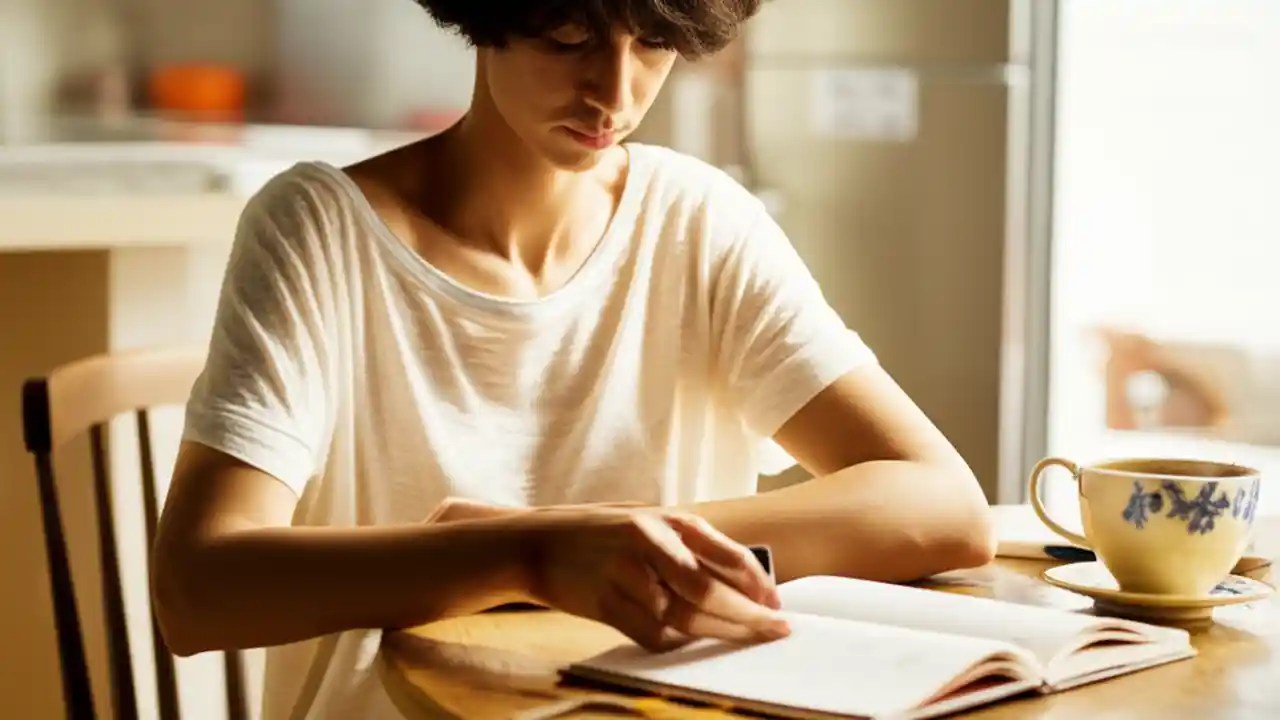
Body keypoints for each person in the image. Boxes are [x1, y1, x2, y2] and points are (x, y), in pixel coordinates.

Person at [151, 2, 995, 718]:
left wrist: (626, 551)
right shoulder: (320, 230)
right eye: (571, 36)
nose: (616, 92)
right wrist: (537, 558)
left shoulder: (698, 223)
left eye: (653, 42)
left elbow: (943, 505)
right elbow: (198, 589)